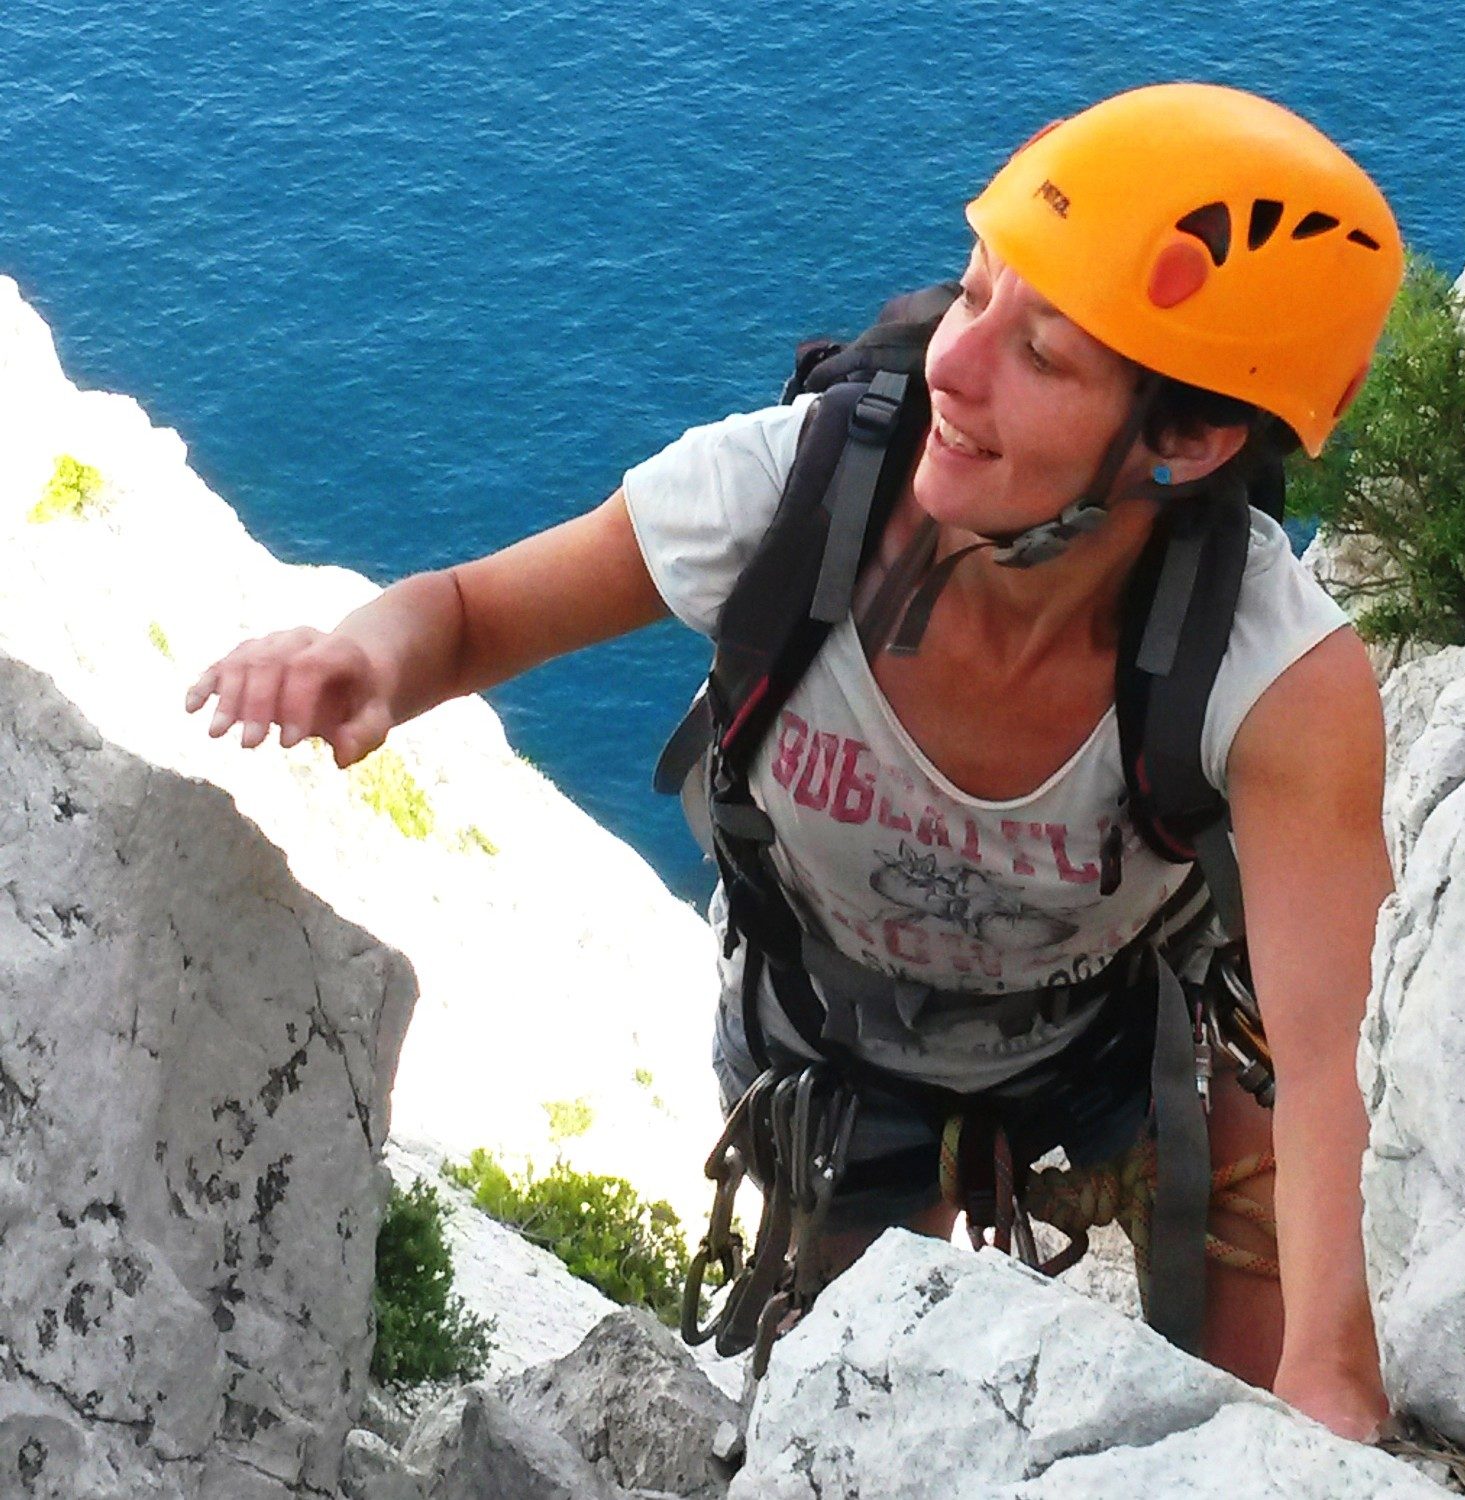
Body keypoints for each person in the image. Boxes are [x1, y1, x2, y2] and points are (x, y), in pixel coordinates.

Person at [187, 83, 1402, 1441]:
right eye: (976, 288)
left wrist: (1328, 1390)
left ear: (1188, 441)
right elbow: (473, 612)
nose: (953, 362)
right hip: (840, 1045)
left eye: (1043, 354)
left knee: (1264, 1367)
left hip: (1125, 1034)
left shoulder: (1276, 680)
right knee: (845, 1422)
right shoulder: (794, 498)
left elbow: (1323, 1060)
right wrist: (369, 659)